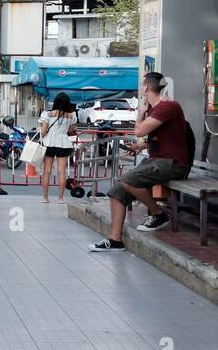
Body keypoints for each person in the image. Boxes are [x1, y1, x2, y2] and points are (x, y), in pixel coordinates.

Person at [90, 73, 190, 251]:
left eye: (142, 86)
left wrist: (141, 113)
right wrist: (140, 146)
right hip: (157, 161)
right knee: (116, 192)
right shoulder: (159, 109)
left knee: (127, 180)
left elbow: (139, 130)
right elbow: (165, 136)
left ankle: (159, 214)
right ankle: (115, 241)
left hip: (172, 163)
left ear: (145, 88)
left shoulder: (168, 107)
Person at [39, 92, 77, 204]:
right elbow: (70, 130)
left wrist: (41, 131)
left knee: (47, 171)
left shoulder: (47, 114)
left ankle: (45, 198)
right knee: (62, 172)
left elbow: (43, 131)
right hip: (63, 143)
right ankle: (60, 198)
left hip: (49, 143)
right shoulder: (72, 116)